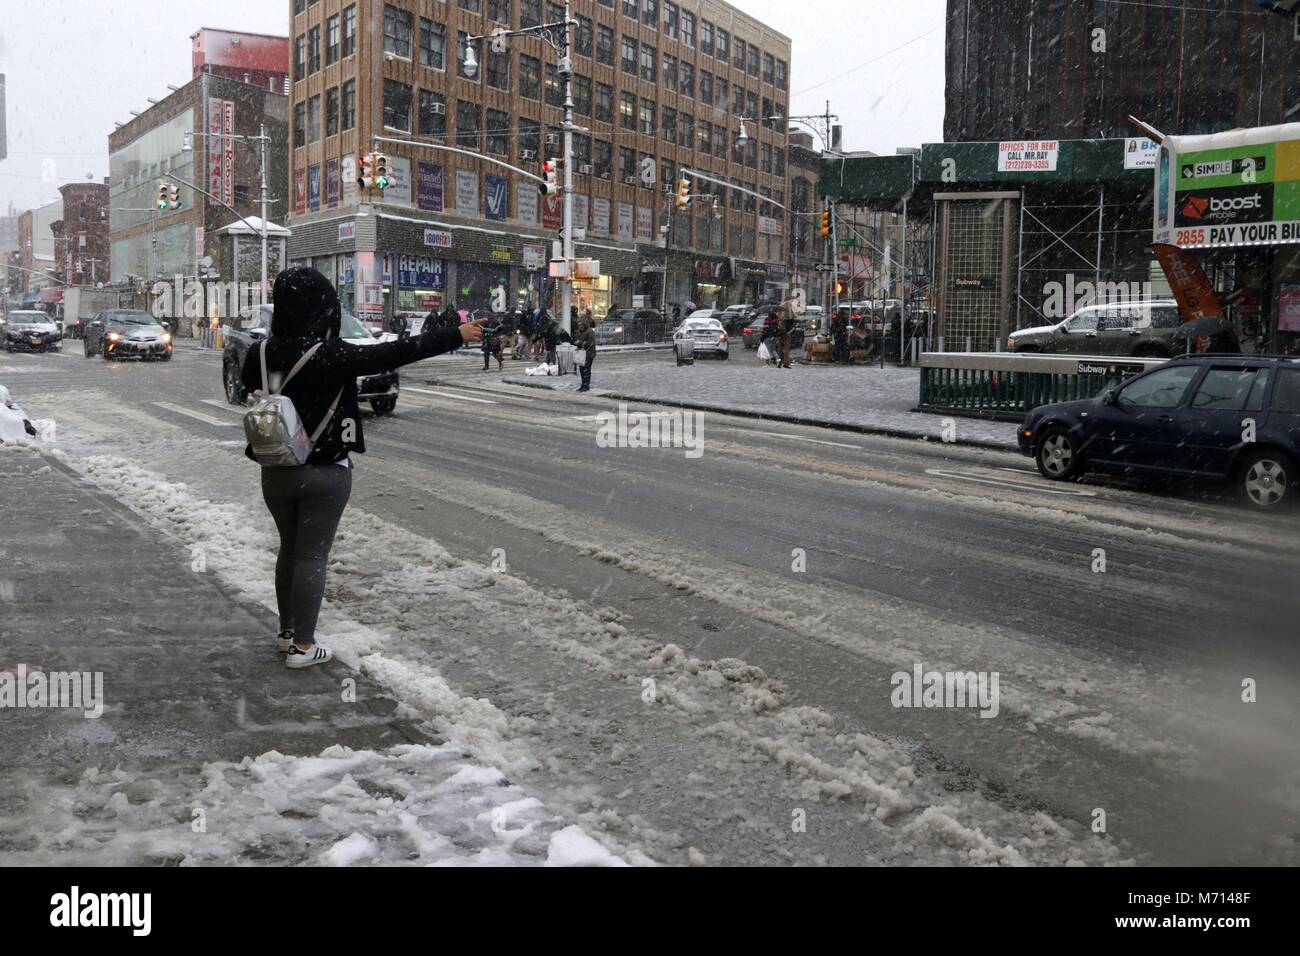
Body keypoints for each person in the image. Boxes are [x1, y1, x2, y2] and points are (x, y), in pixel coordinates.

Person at [240, 266, 484, 669]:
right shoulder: (333, 354)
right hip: (326, 470)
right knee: (312, 556)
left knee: (289, 550)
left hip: (277, 469)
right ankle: (303, 647)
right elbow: (397, 352)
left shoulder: (261, 353)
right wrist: (456, 335)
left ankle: (286, 633)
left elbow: (248, 390)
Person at [574, 312, 597, 392]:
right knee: (581, 370)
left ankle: (586, 385)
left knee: (586, 370)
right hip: (581, 354)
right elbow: (576, 340)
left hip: (588, 354)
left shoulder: (590, 332)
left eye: (581, 325)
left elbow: (590, 343)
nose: (580, 326)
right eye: (579, 325)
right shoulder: (578, 332)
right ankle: (583, 384)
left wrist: (580, 343)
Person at [777, 297, 796, 369]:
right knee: (786, 348)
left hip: (781, 331)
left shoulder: (781, 309)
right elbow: (792, 320)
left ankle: (779, 362)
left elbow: (779, 319)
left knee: (780, 348)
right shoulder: (790, 309)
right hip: (787, 332)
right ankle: (785, 363)